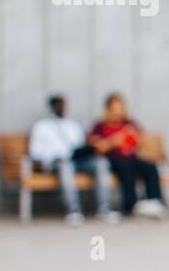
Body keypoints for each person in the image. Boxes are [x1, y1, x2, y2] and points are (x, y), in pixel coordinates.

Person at [28, 94, 119, 226]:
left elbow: (80, 146)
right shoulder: (41, 127)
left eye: (63, 105)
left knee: (101, 163)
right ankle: (73, 211)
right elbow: (35, 152)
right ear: (51, 107)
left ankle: (104, 209)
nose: (61, 108)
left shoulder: (73, 125)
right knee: (66, 166)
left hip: (77, 161)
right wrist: (51, 157)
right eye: (57, 105)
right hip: (56, 163)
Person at [88, 93, 167, 219]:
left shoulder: (130, 123)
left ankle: (155, 202)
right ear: (108, 109)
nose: (118, 112)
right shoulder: (100, 126)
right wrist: (114, 141)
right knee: (126, 167)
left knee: (150, 168)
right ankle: (130, 204)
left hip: (132, 156)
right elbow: (94, 147)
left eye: (120, 108)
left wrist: (136, 138)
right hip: (113, 159)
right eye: (115, 109)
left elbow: (143, 139)